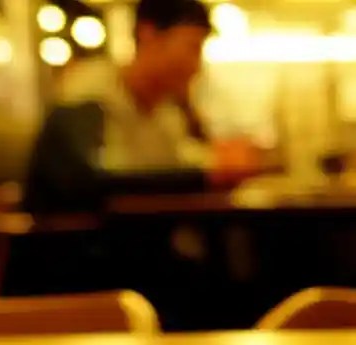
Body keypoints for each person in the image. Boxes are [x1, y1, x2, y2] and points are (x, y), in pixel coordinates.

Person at [24, 0, 257, 212]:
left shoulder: (167, 112)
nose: (196, 66)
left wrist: (218, 162)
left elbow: (178, 163)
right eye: (192, 48)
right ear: (149, 35)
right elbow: (93, 179)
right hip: (71, 249)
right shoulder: (88, 92)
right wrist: (206, 176)